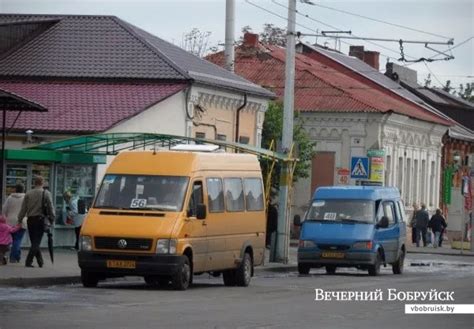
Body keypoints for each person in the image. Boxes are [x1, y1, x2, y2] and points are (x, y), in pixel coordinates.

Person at [17, 175, 55, 268]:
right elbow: (50, 207)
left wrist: (20, 219)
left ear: (34, 183)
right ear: (42, 183)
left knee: (34, 241)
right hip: (40, 220)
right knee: (36, 242)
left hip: (30, 220)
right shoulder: (46, 193)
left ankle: (40, 261)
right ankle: (28, 261)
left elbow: (23, 208)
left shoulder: (28, 193)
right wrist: (52, 218)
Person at [2, 183, 27, 263]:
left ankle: (17, 256)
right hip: (21, 221)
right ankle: (13, 257)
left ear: (15, 189)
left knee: (13, 240)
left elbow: (4, 210)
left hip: (10, 222)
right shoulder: (25, 198)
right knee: (18, 239)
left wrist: (4, 218)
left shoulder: (10, 198)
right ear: (23, 190)